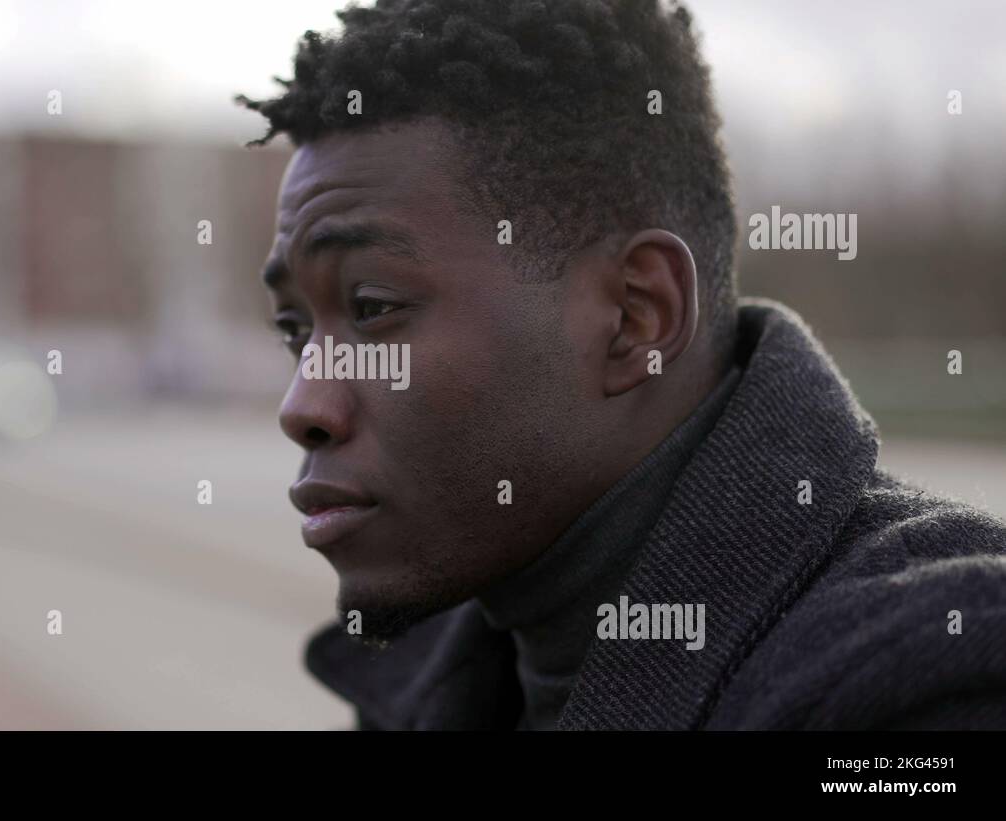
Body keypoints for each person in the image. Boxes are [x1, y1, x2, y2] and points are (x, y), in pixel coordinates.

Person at [237, 0, 1006, 729]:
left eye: (372, 307)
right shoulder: (429, 667)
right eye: (294, 329)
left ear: (636, 317)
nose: (303, 402)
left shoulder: (936, 680)